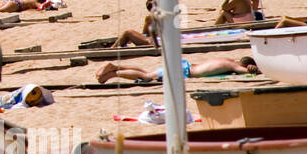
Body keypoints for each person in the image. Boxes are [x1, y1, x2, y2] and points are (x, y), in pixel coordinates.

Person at [96, 56, 259, 84]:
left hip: (185, 65)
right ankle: (112, 74)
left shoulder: (227, 60)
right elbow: (248, 72)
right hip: (185, 71)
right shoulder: (233, 66)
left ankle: (116, 67)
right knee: (147, 76)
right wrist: (255, 69)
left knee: (148, 72)